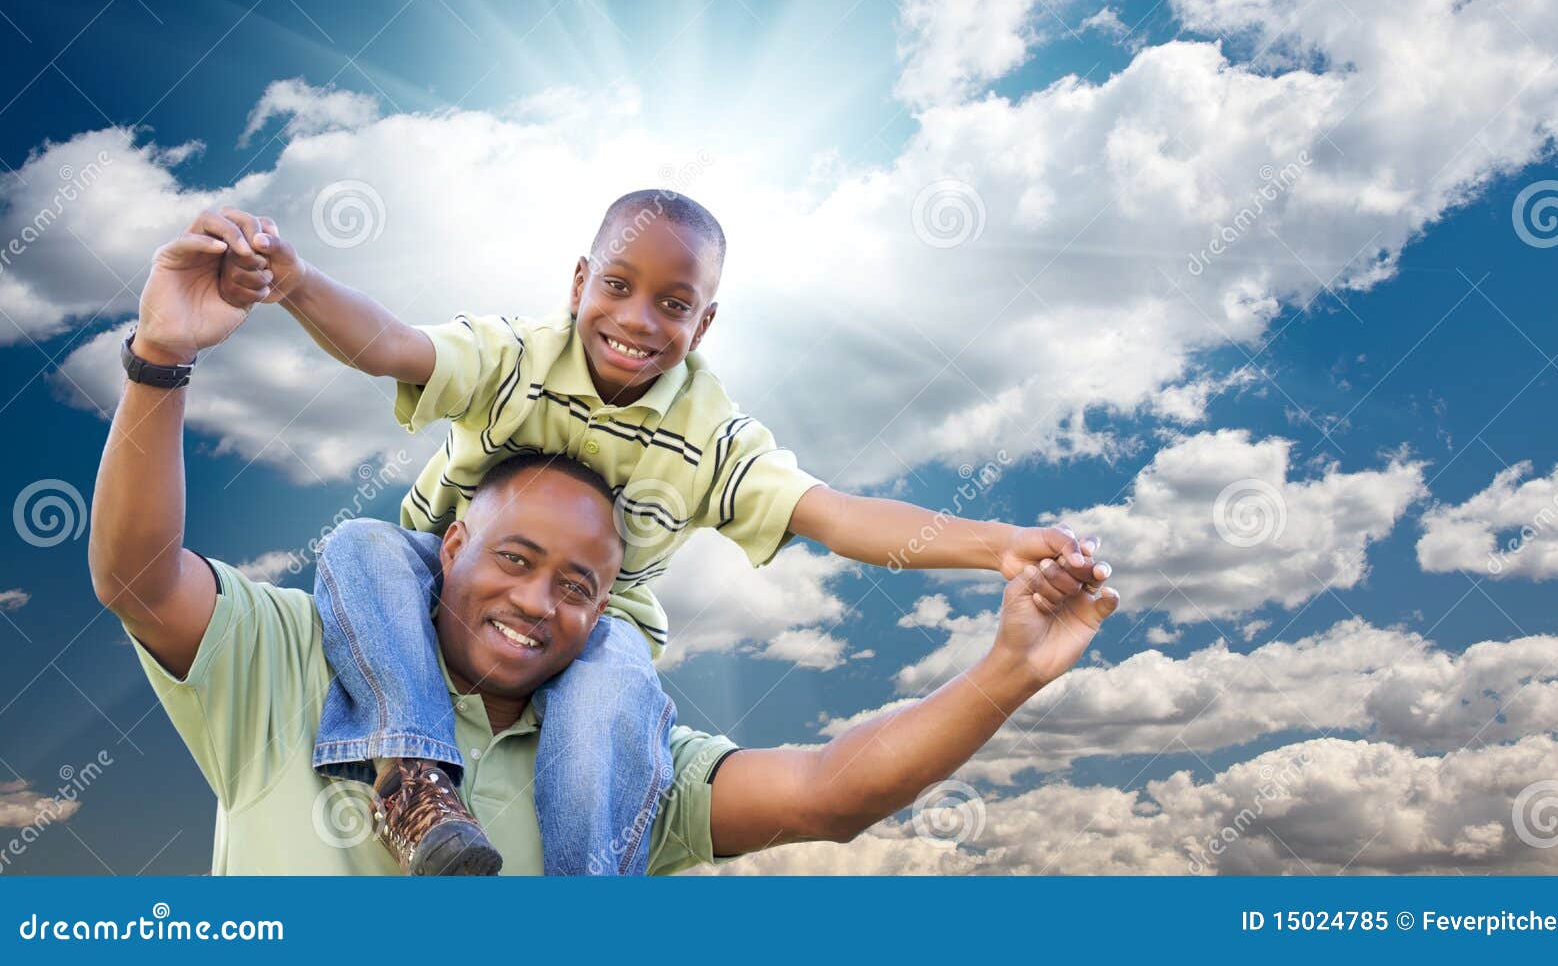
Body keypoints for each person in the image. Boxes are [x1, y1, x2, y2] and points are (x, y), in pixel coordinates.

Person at [87, 215, 1123, 874]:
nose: (637, 319)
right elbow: (390, 347)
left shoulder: (702, 461)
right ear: (580, 277)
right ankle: (411, 770)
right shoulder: (297, 653)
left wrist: (1002, 580)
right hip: (396, 586)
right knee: (360, 542)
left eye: (674, 303)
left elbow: (836, 532)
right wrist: (215, 327)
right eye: (514, 559)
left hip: (614, 657)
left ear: (705, 322)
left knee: (616, 684)